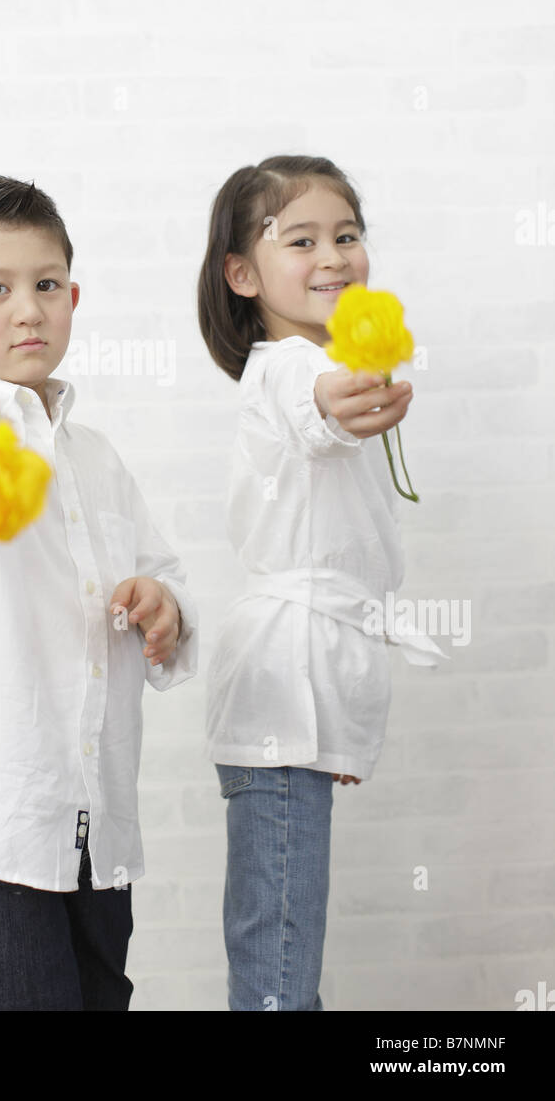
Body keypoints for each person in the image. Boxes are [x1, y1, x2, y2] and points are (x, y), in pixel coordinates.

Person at [0, 176, 198, 1011]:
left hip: (91, 815)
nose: (29, 310)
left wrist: (162, 602)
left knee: (98, 998)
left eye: (46, 286)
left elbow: (164, 573)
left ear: (73, 297)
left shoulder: (95, 457)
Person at [196, 154, 445, 1012]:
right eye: (300, 240)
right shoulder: (287, 368)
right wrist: (355, 393)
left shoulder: (302, 363)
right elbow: (325, 401)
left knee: (280, 929)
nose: (334, 256)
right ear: (242, 274)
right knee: (280, 954)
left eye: (346, 235)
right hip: (283, 684)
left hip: (296, 688)